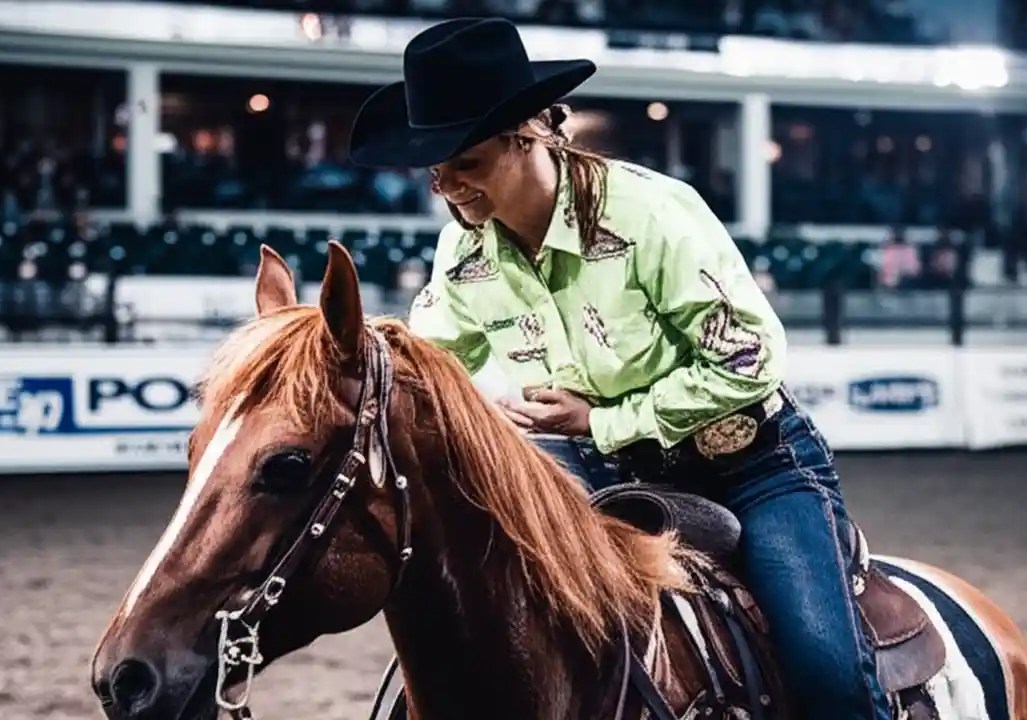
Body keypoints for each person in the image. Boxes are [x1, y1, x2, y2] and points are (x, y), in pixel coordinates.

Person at [348, 17, 891, 720]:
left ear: (528, 134)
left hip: (750, 465)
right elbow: (429, 361)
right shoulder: (464, 250)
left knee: (827, 674)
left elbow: (748, 355)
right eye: (436, 174)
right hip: (597, 471)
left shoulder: (650, 213)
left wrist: (602, 419)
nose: (450, 192)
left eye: (468, 165)